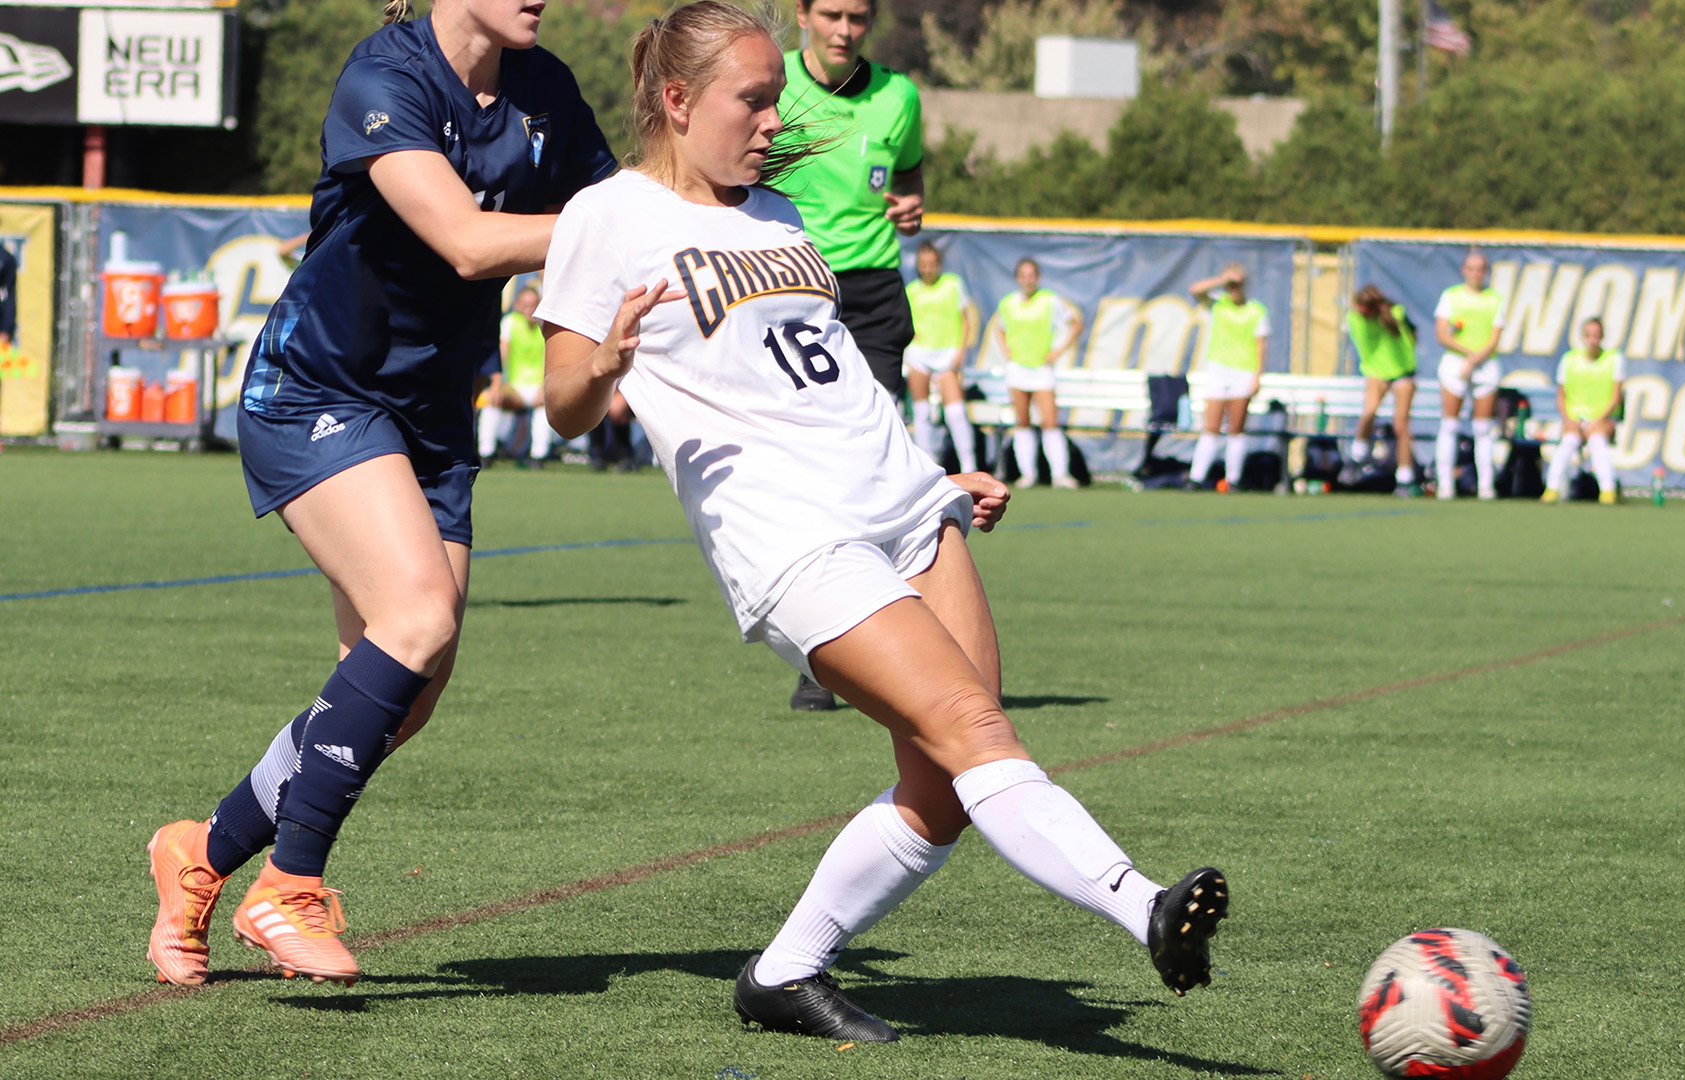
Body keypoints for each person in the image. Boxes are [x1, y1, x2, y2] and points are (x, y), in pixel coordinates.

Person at [535, 3, 1228, 1041]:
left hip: (903, 502)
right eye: (753, 99)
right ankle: (1146, 909)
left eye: (778, 99)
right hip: (789, 534)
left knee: (946, 786)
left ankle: (784, 973)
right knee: (976, 730)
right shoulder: (608, 217)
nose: (775, 119)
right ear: (675, 102)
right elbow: (561, 404)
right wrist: (602, 364)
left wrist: (932, 472)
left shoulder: (779, 213)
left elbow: (821, 377)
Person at [143, 0, 616, 988]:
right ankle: (291, 885)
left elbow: (620, 216)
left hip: (434, 414)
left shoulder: (549, 92)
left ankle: (199, 855)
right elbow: (467, 242)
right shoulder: (384, 77)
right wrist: (639, 225)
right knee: (417, 615)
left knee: (405, 689)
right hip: (319, 388)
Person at [774, 0, 928, 710]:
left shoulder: (899, 97)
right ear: (802, 13)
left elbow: (910, 176)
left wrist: (911, 205)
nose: (844, 30)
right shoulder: (765, 81)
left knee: (872, 461)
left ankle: (872, 643)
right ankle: (823, 640)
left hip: (871, 295)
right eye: (830, 14)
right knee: (805, 467)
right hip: (788, 285)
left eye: (858, 17)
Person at [994, 257, 1083, 488]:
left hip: (1042, 369)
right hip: (1017, 369)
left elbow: (1075, 324)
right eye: (1023, 276)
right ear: (1017, 278)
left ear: (1038, 277)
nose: (1028, 280)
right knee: (1022, 422)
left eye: (1031, 275)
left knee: (1050, 421)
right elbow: (1000, 329)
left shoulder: (1049, 300)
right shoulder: (1008, 303)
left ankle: (1060, 474)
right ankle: (1028, 473)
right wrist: (1006, 352)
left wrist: (1057, 351)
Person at [1185, 263, 1270, 492]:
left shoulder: (1256, 310)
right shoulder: (1218, 303)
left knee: (1236, 428)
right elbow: (1195, 290)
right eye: (1230, 284)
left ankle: (1233, 478)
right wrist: (1221, 280)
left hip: (1243, 370)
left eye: (1236, 284)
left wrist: (1257, 376)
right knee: (1211, 426)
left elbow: (1261, 345)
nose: (1233, 288)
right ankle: (1197, 477)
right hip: (1218, 369)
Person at [1434, 250, 1506, 499]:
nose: (1476, 273)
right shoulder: (1451, 296)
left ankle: (1486, 485)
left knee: (1483, 428)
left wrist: (1475, 360)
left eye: (1480, 269)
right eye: (1471, 268)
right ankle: (1445, 485)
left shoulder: (1494, 299)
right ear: (1464, 270)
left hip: (1485, 366)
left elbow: (1495, 337)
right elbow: (1442, 334)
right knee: (1450, 424)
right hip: (1456, 364)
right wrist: (1466, 355)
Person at [904, 243, 978, 473]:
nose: (928, 269)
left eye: (932, 264)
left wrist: (960, 352)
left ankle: (969, 465)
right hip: (919, 352)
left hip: (947, 353)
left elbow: (966, 319)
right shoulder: (912, 290)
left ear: (939, 264)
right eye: (924, 265)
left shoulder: (953, 285)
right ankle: (926, 466)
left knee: (956, 412)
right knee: (922, 411)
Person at [1345, 284, 1418, 496]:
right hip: (1376, 372)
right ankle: (1356, 457)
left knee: (1400, 425)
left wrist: (1392, 321)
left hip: (1403, 372)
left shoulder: (1395, 313)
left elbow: (1411, 335)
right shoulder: (1355, 318)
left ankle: (1405, 477)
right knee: (1369, 412)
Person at [1540, 317, 1623, 504]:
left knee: (1597, 441)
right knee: (1568, 442)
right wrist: (1568, 419)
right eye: (1589, 336)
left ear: (1602, 337)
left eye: (1597, 336)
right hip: (1575, 418)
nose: (1593, 340)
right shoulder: (1569, 360)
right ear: (1583, 337)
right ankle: (1552, 488)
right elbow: (1561, 396)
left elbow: (1616, 397)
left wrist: (1597, 421)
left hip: (1602, 419)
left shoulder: (1613, 359)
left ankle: (1608, 491)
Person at [478, 284, 555, 467]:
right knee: (491, 400)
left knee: (544, 406)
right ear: (518, 306)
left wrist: (544, 388)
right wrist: (495, 387)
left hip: (539, 387)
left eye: (533, 305)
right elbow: (501, 358)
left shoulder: (547, 325)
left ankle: (539, 456)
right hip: (515, 389)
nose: (530, 310)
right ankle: (485, 453)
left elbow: (552, 358)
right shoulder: (509, 323)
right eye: (526, 305)